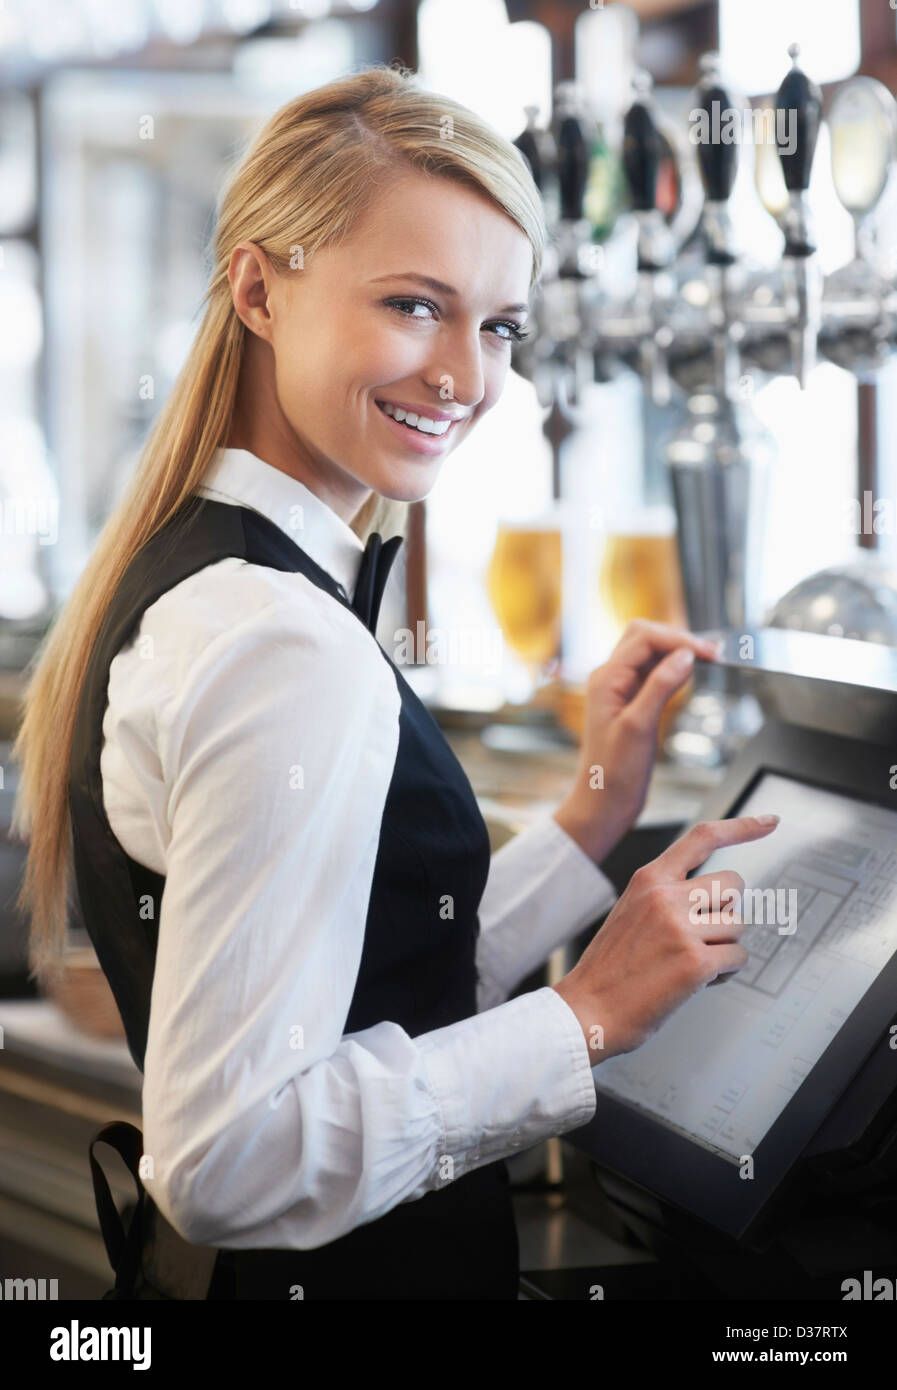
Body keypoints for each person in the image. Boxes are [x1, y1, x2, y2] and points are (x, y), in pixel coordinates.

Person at [11, 64, 778, 1301]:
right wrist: (583, 1014)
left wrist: (587, 816)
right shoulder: (283, 643)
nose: (465, 376)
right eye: (417, 305)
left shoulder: (212, 575)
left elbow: (372, 980)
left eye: (500, 326)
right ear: (260, 288)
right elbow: (227, 1160)